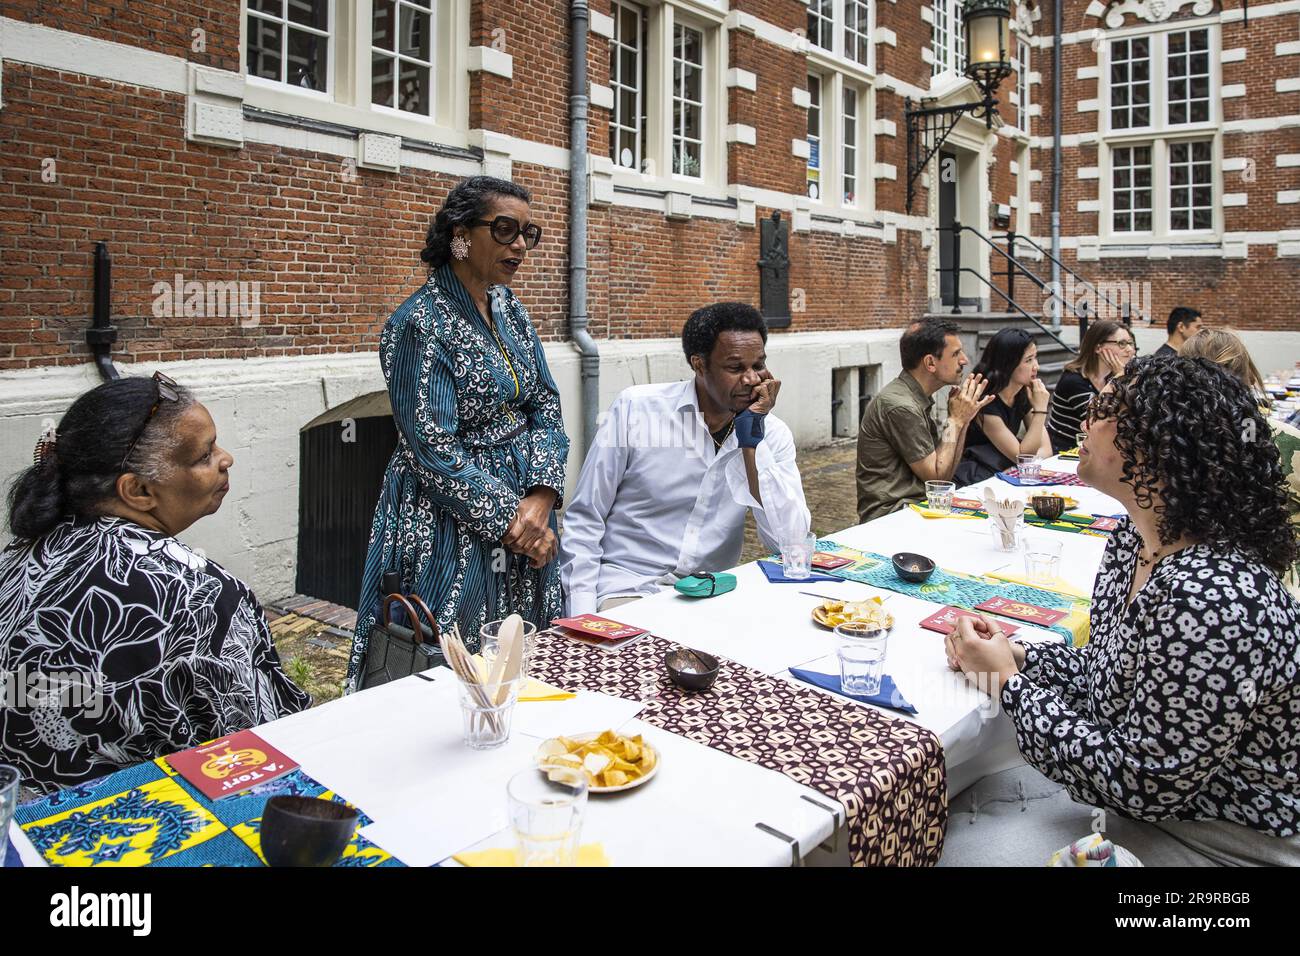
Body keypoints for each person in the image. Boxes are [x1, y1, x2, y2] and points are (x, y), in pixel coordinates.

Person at [941, 357, 1300, 866]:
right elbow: (1111, 670)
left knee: (961, 850)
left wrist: (1008, 684)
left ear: (1157, 445)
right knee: (957, 809)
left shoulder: (1210, 596)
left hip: (1223, 835)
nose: (1085, 417)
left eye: (1106, 408)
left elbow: (1144, 782)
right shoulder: (1136, 538)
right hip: (1154, 805)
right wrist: (1018, 656)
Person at [0, 375, 310, 795]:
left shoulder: (21, 556)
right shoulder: (202, 598)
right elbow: (260, 759)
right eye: (204, 455)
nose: (227, 459)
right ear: (139, 490)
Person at [350, 176, 569, 681]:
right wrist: (512, 521)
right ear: (460, 235)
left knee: (522, 652)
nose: (519, 244)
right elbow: (432, 447)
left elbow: (546, 404)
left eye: (527, 233)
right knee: (451, 661)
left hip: (528, 510)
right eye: (506, 229)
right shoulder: (418, 323)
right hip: (447, 518)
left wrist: (540, 498)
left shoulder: (511, 308)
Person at [558, 302, 810, 614]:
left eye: (758, 366)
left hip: (713, 594)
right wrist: (583, 618)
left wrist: (752, 442)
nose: (751, 380)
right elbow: (585, 518)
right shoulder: (634, 411)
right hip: (629, 589)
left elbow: (790, 544)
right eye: (735, 368)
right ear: (699, 365)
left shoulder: (771, 434)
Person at [855, 318, 992, 523]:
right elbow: (937, 480)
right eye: (955, 354)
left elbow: (944, 477)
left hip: (918, 507)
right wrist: (955, 421)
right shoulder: (902, 406)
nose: (964, 360)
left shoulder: (914, 397)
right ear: (930, 363)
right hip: (892, 516)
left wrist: (963, 420)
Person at [954, 328, 1052, 485]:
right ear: (1008, 364)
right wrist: (1040, 410)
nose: (1036, 367)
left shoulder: (1022, 392)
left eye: (1035, 358)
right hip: (974, 479)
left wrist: (1024, 464)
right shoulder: (986, 400)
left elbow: (1046, 450)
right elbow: (1022, 456)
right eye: (1028, 360)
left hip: (1003, 473)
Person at [1044, 319, 1135, 454]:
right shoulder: (1074, 380)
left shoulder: (1112, 378)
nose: (1130, 350)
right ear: (1098, 348)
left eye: (1130, 343)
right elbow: (1099, 423)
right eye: (1121, 344)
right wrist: (1121, 379)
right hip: (1065, 453)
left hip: (1095, 451)